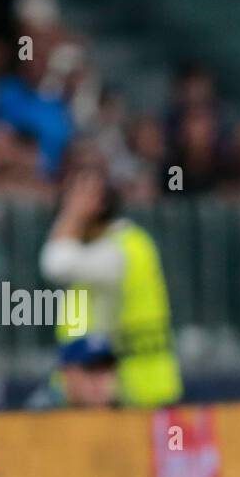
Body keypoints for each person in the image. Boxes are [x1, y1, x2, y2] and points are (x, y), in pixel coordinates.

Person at [39, 169, 182, 407]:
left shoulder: (116, 251)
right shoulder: (130, 244)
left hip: (124, 391)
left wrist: (73, 214)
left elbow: (55, 264)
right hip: (131, 389)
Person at [24, 333, 120, 409]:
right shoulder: (41, 417)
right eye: (91, 369)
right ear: (67, 374)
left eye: (107, 369)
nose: (100, 380)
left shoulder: (128, 416)